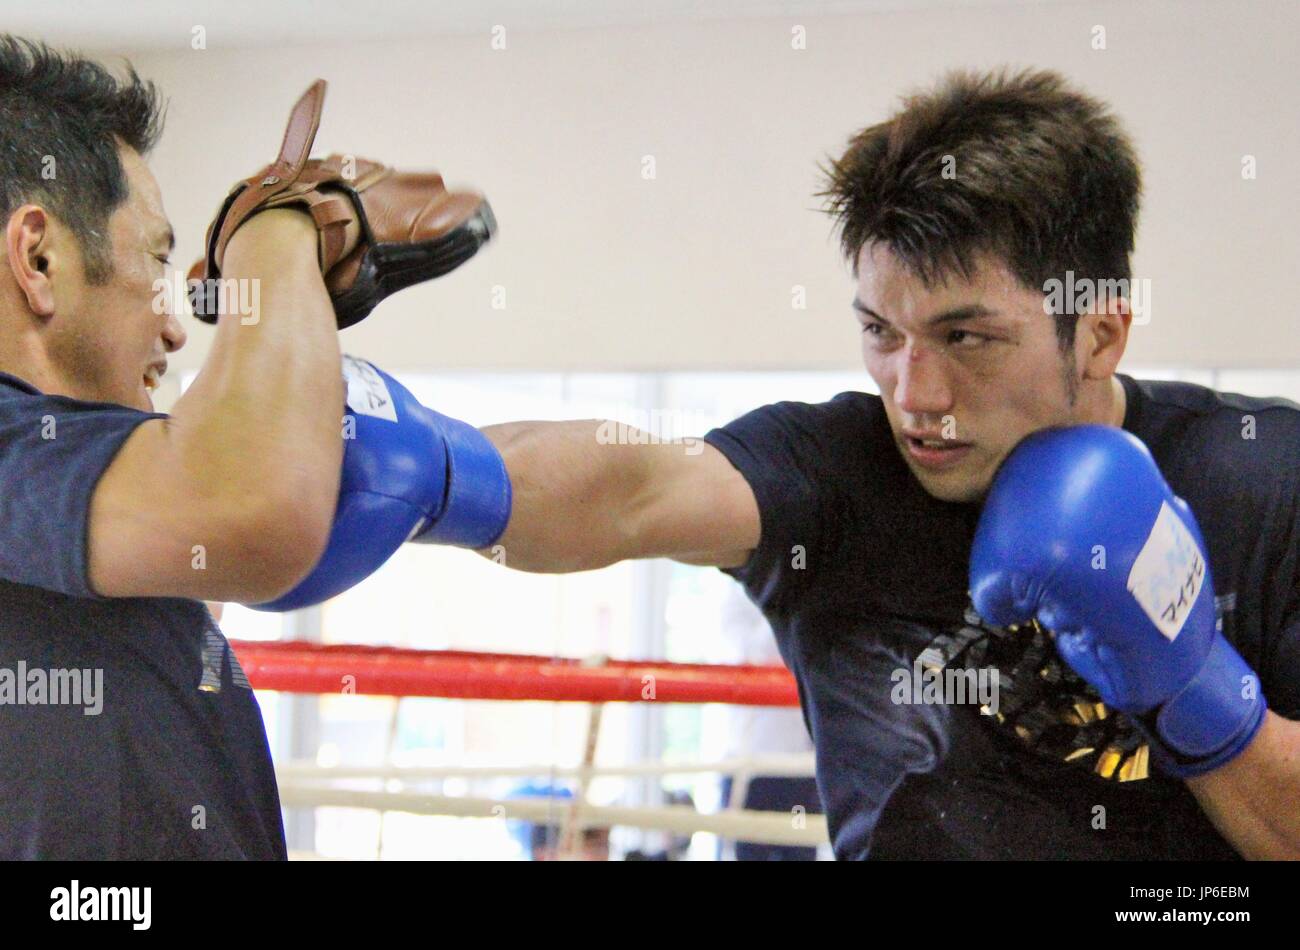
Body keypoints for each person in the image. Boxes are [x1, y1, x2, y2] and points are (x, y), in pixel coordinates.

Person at [383, 68, 1298, 859]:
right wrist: (432, 472)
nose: (915, 391)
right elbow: (637, 487)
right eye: (880, 333)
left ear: (1099, 331)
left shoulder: (1265, 480)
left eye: (966, 336)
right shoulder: (836, 473)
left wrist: (1196, 693)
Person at [0, 36, 485, 858]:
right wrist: (276, 228)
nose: (172, 321)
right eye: (156, 262)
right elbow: (245, 510)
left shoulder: (75, 502)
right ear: (39, 257)